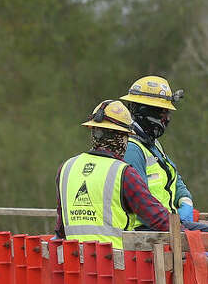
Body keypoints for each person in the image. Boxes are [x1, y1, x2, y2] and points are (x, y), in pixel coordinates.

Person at [58, 100, 170, 246]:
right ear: (121, 137)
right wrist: (186, 232)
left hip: (76, 263)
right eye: (126, 136)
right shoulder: (124, 173)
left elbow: (61, 228)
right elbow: (157, 218)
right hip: (116, 263)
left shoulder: (66, 168)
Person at [120, 75, 208, 231]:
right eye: (162, 112)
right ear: (144, 111)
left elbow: (172, 175)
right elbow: (139, 203)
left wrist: (185, 200)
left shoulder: (151, 143)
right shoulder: (133, 149)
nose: (166, 118)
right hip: (148, 230)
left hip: (165, 225)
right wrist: (174, 226)